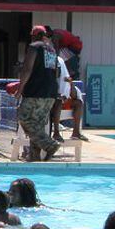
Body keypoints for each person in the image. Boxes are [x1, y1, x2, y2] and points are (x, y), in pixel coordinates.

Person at [14, 25, 60, 161]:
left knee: (24, 118)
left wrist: (20, 89)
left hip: (35, 91)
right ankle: (34, 157)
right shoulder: (52, 50)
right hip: (50, 92)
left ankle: (50, 145)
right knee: (38, 125)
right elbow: (56, 72)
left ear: (34, 35)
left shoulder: (35, 46)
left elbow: (27, 69)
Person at [51, 56, 89, 143]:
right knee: (58, 101)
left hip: (64, 101)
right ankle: (56, 133)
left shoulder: (67, 78)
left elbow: (74, 95)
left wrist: (71, 84)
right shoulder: (56, 72)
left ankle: (76, 132)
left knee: (78, 103)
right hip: (53, 101)